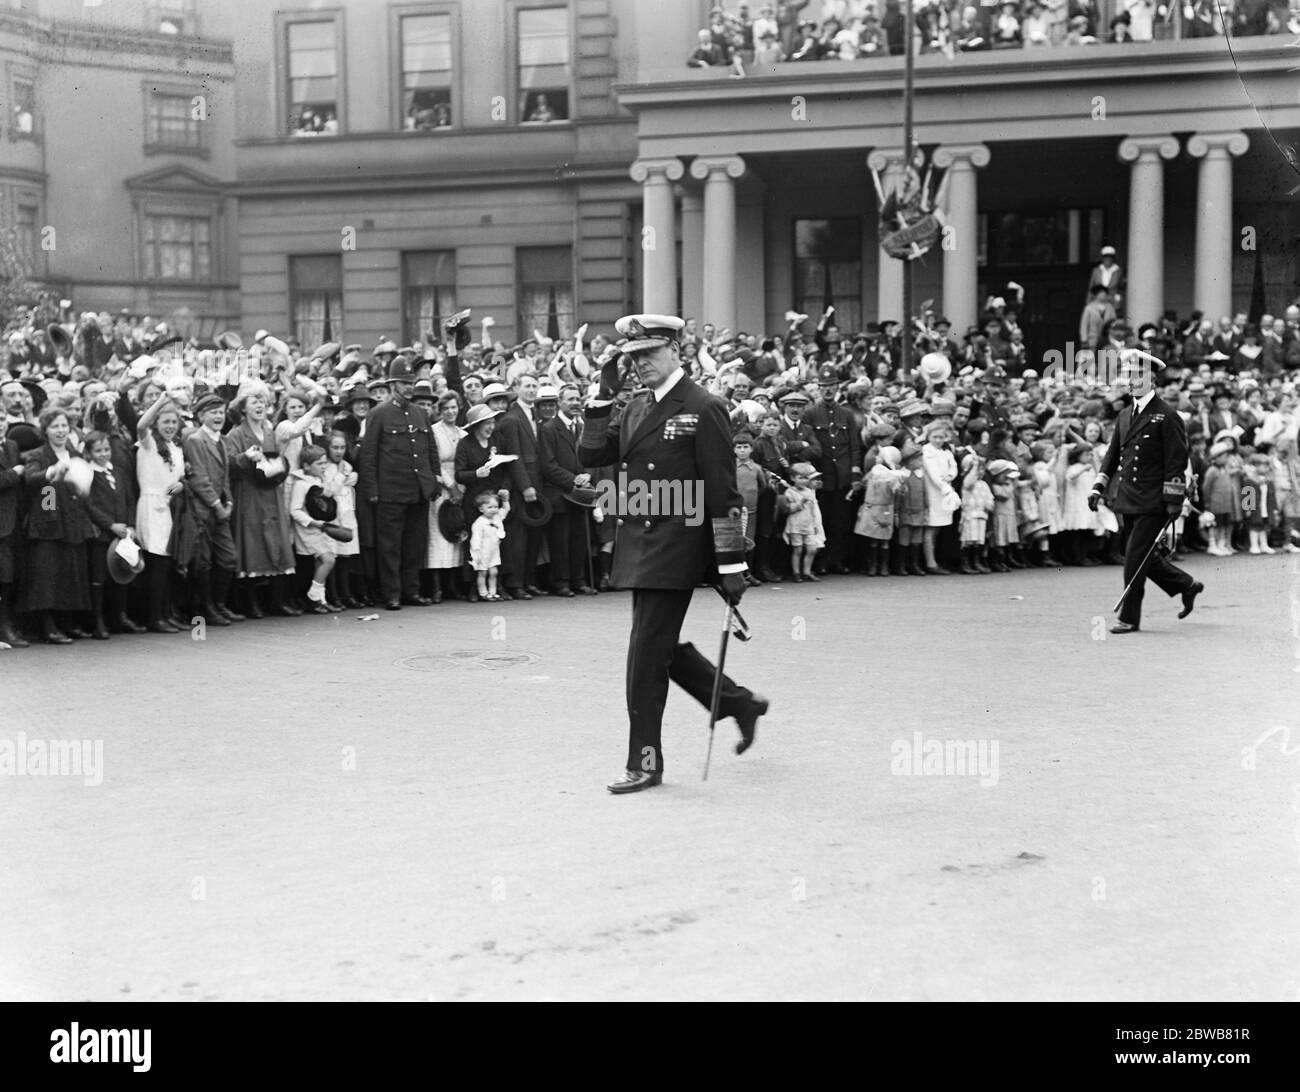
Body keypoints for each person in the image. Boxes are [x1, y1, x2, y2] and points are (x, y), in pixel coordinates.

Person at [578, 313, 768, 795]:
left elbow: (723, 490)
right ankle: (737, 702)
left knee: (644, 658)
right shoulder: (636, 406)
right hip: (640, 544)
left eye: (649, 354)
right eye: (633, 357)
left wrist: (731, 563)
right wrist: (601, 395)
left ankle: (645, 762)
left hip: (676, 547)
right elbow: (590, 455)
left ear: (675, 352)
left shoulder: (703, 406)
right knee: (657, 649)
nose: (641, 364)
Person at [1089, 356, 1202, 634]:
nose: (1132, 381)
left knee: (1134, 557)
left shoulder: (1167, 415)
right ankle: (1186, 585)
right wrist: (1098, 486)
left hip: (1154, 499)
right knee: (1140, 555)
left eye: (1138, 375)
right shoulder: (1125, 414)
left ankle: (1129, 617)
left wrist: (1173, 500)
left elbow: (1176, 461)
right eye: (1129, 376)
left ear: (1152, 380)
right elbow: (1112, 455)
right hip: (1128, 497)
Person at [358, 354, 439, 610]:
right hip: (390, 490)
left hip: (418, 490)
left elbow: (430, 450)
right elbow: (368, 455)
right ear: (392, 384)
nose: (409, 387)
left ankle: (411, 591)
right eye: (404, 383)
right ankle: (392, 593)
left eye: (411, 382)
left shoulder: (420, 413)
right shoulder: (378, 414)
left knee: (414, 545)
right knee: (390, 546)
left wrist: (433, 481)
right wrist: (372, 489)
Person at [182, 394, 244, 627]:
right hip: (203, 510)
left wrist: (229, 503)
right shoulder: (196, 440)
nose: (218, 416)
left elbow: (224, 477)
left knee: (229, 558)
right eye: (213, 412)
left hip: (220, 509)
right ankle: (205, 609)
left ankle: (219, 604)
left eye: (221, 412)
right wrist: (217, 505)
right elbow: (199, 478)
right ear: (200, 416)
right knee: (203, 561)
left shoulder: (222, 440)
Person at [538, 384, 597, 596]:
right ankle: (561, 582)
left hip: (580, 495)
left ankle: (578, 580)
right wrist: (574, 480)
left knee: (579, 539)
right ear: (559, 403)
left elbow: (590, 457)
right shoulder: (549, 429)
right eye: (570, 399)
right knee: (560, 541)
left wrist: (587, 475)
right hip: (559, 493)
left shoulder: (582, 428)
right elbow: (548, 465)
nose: (575, 403)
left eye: (577, 399)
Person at [134, 393, 185, 632]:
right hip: (151, 506)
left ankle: (165, 613)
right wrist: (161, 401)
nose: (170, 426)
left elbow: (176, 480)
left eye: (174, 422)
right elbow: (140, 425)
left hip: (168, 507)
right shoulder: (149, 444)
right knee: (158, 563)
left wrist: (177, 488)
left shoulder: (176, 448)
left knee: (167, 564)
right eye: (165, 422)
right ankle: (155, 617)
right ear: (157, 423)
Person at [288, 443, 341, 613]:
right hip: (308, 530)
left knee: (321, 563)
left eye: (325, 463)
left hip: (320, 529)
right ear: (306, 466)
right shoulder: (301, 484)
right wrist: (312, 522)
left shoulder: (320, 481)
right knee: (328, 560)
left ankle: (320, 600)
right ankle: (313, 595)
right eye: (319, 464)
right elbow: (294, 510)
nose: (323, 467)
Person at [469, 489, 509, 601]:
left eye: (495, 507)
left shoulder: (497, 517)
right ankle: (483, 593)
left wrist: (505, 500)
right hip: (482, 552)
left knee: (494, 572)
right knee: (482, 573)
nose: (493, 509)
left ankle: (493, 592)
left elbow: (506, 509)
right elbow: (475, 539)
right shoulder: (479, 523)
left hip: (494, 551)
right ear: (481, 509)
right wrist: (476, 553)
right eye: (490, 507)